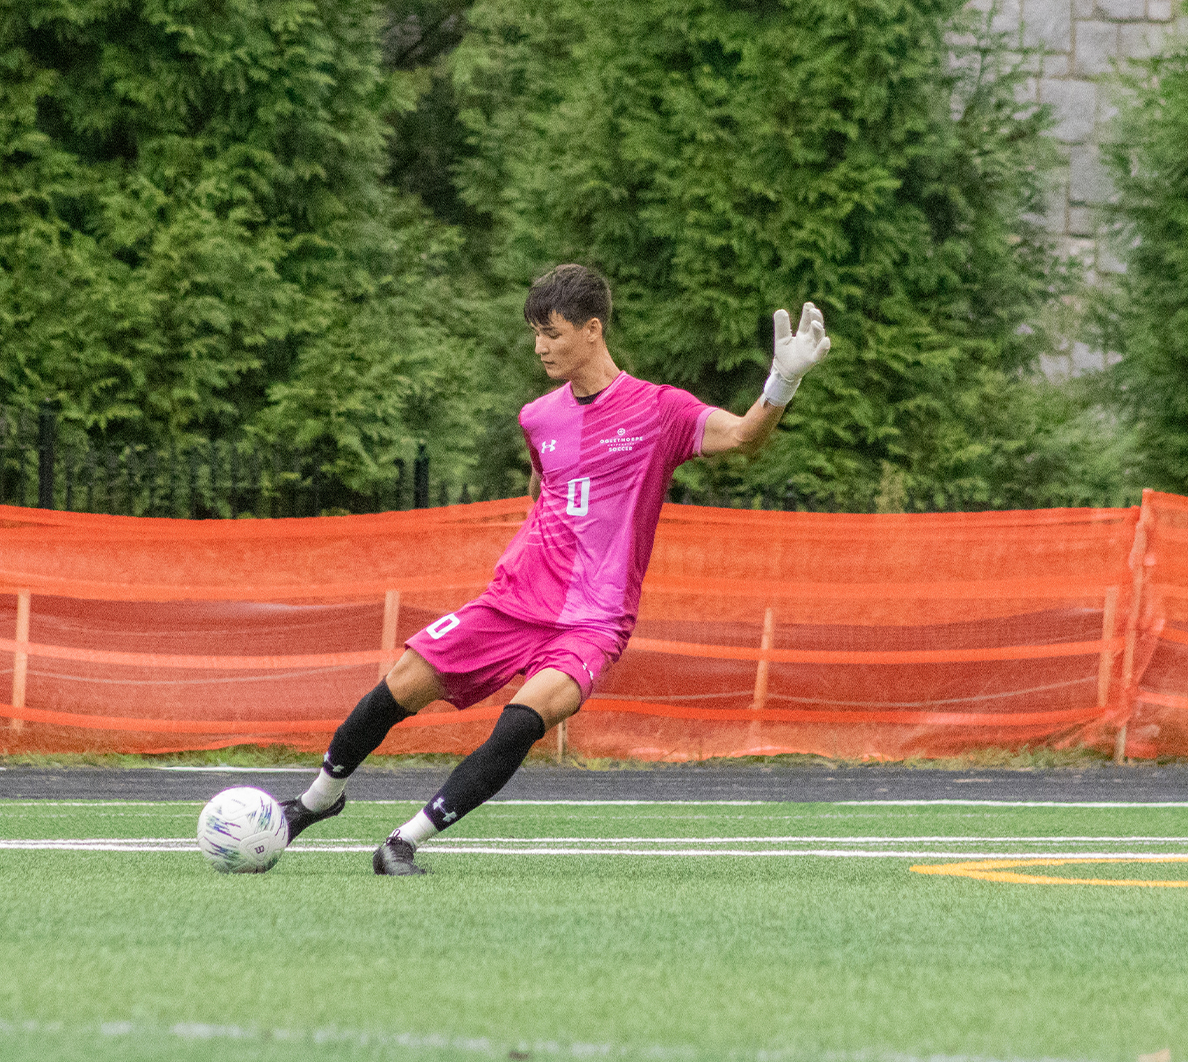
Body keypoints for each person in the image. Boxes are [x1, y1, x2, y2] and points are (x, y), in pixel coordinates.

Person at [280, 263, 830, 874]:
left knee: (522, 722)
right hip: (513, 602)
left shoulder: (659, 410)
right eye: (535, 333)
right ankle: (317, 800)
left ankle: (403, 842)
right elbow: (544, 492)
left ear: (592, 330)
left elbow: (746, 437)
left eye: (552, 333)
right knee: (403, 683)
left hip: (594, 620)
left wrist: (783, 380)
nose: (540, 346)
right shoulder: (537, 417)